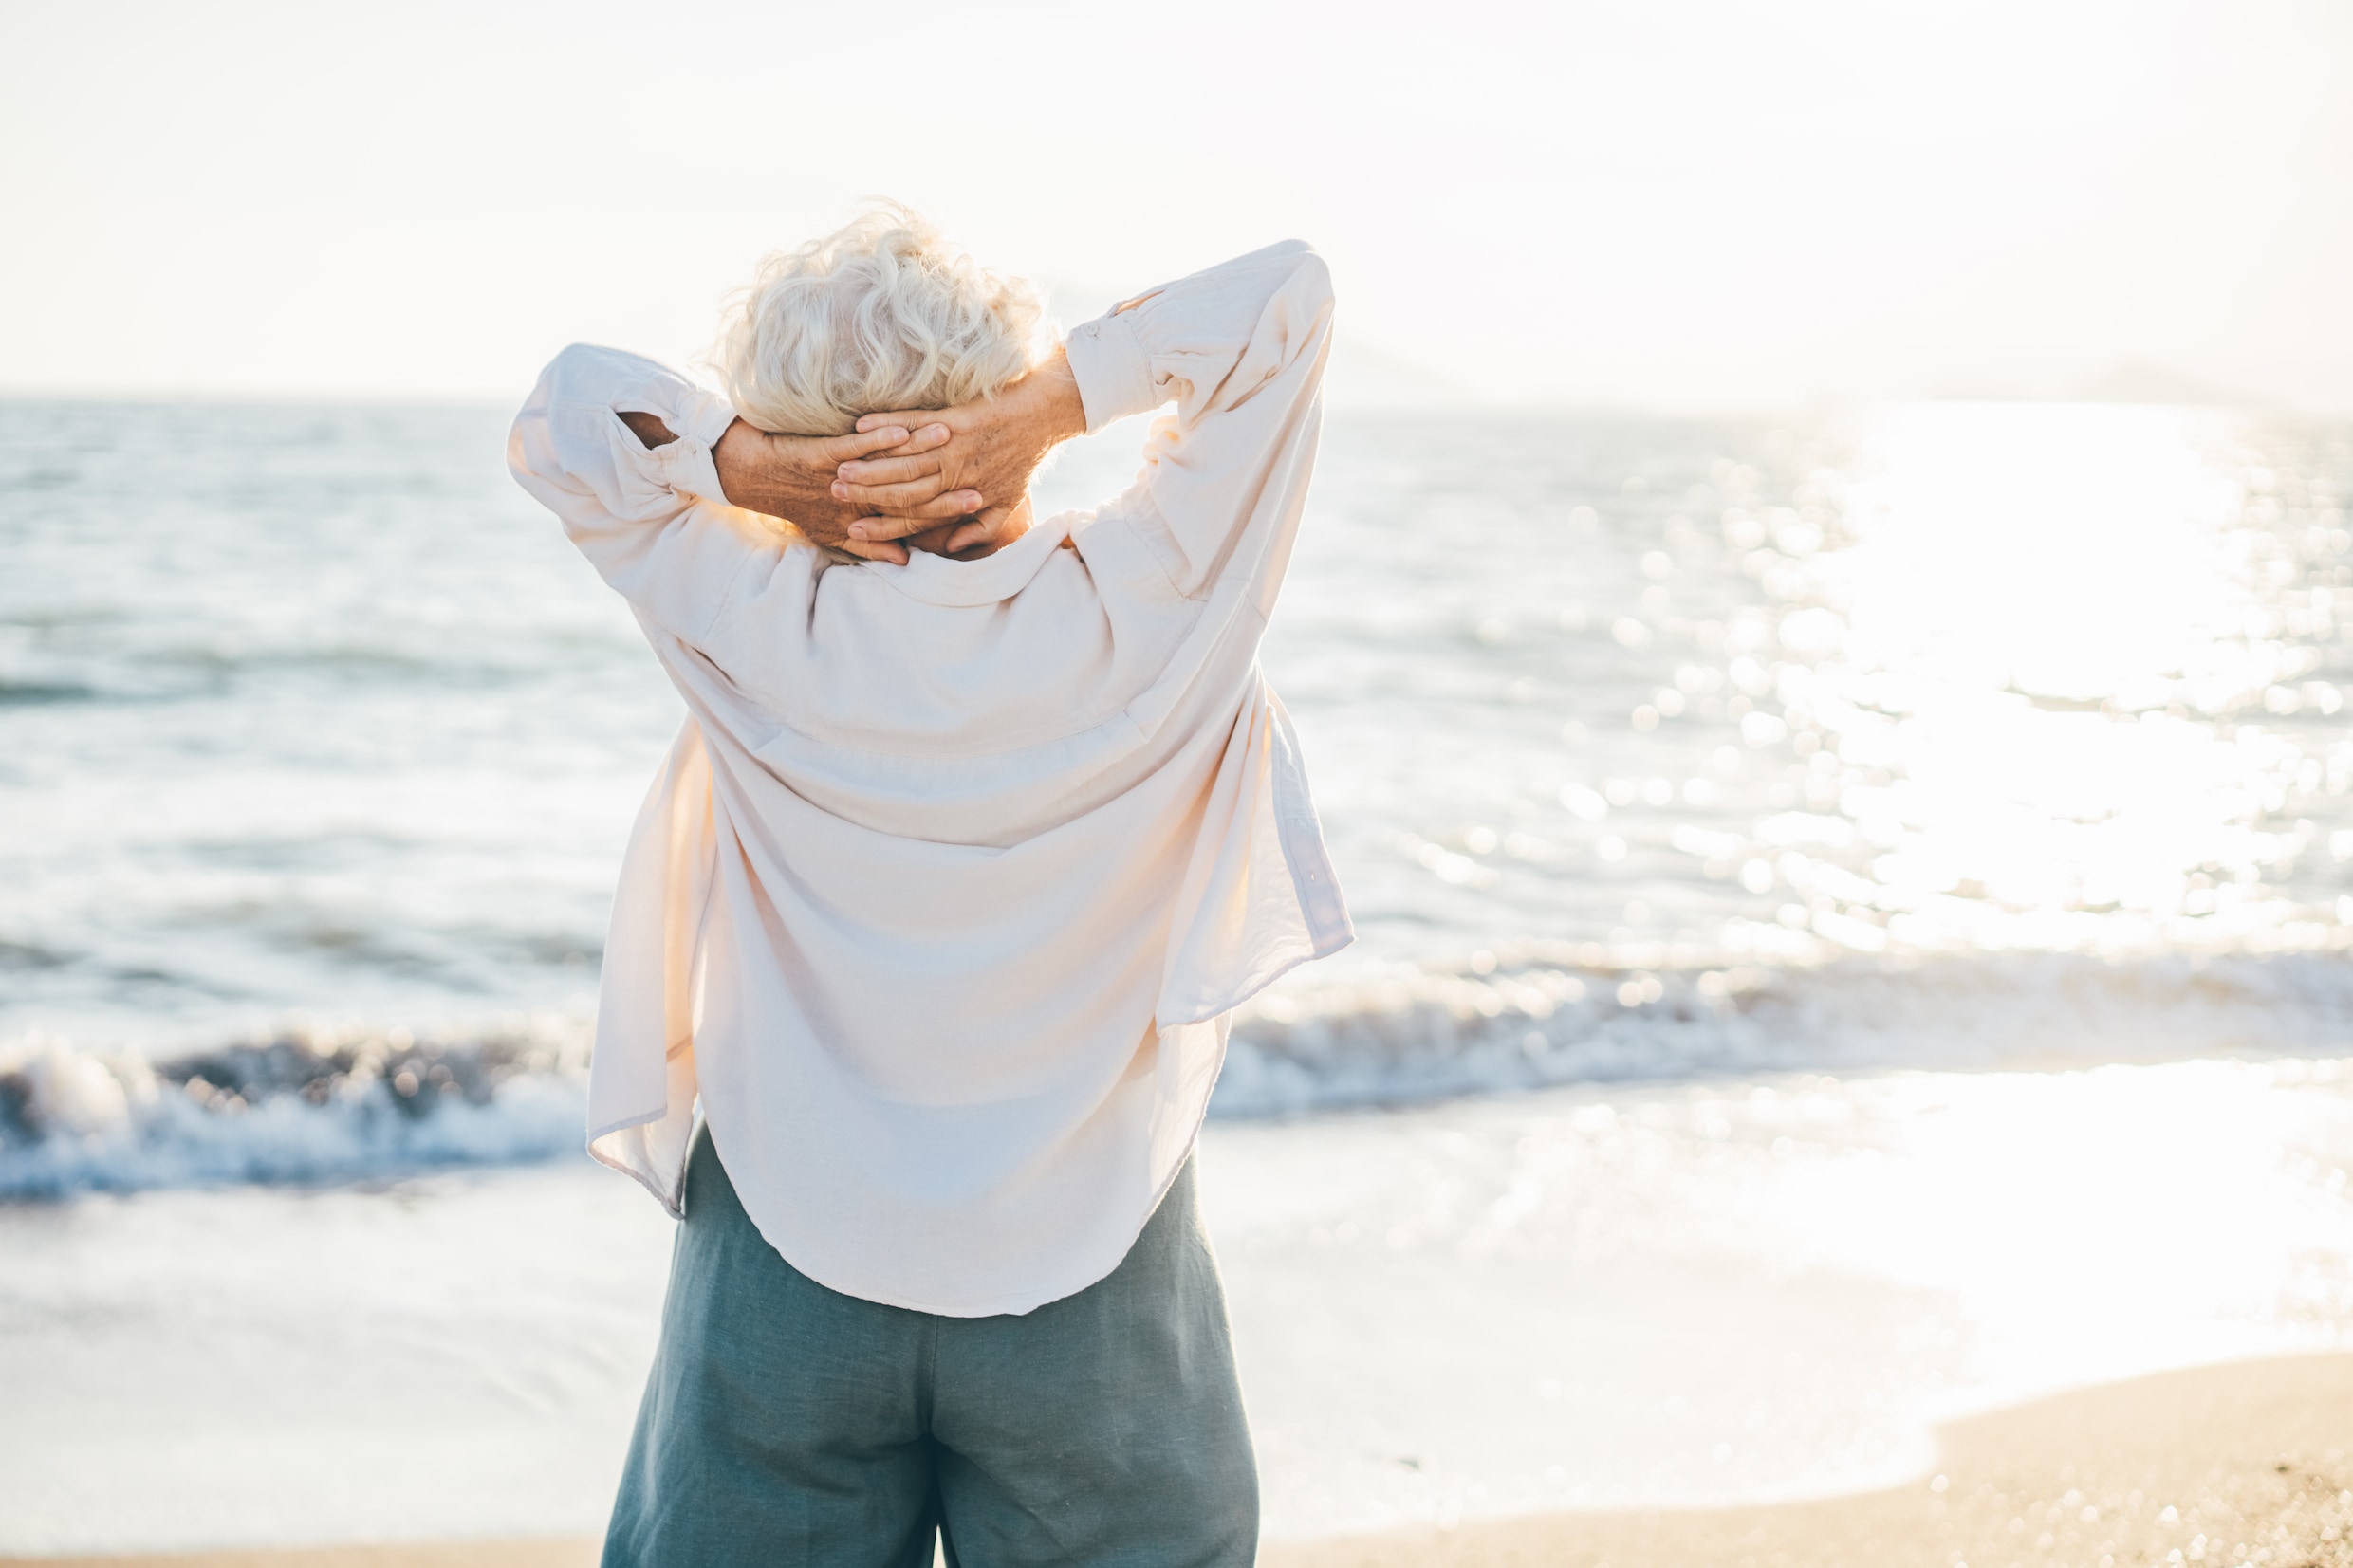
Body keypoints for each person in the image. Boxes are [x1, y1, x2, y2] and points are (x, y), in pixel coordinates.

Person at [509, 204, 1350, 1567]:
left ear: (794, 442)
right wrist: (1055, 409)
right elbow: (1284, 303)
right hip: (1088, 1273)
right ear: (996, 401)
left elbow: (567, 420)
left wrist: (743, 471)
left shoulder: (752, 622)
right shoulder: (1152, 606)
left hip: (789, 1260)